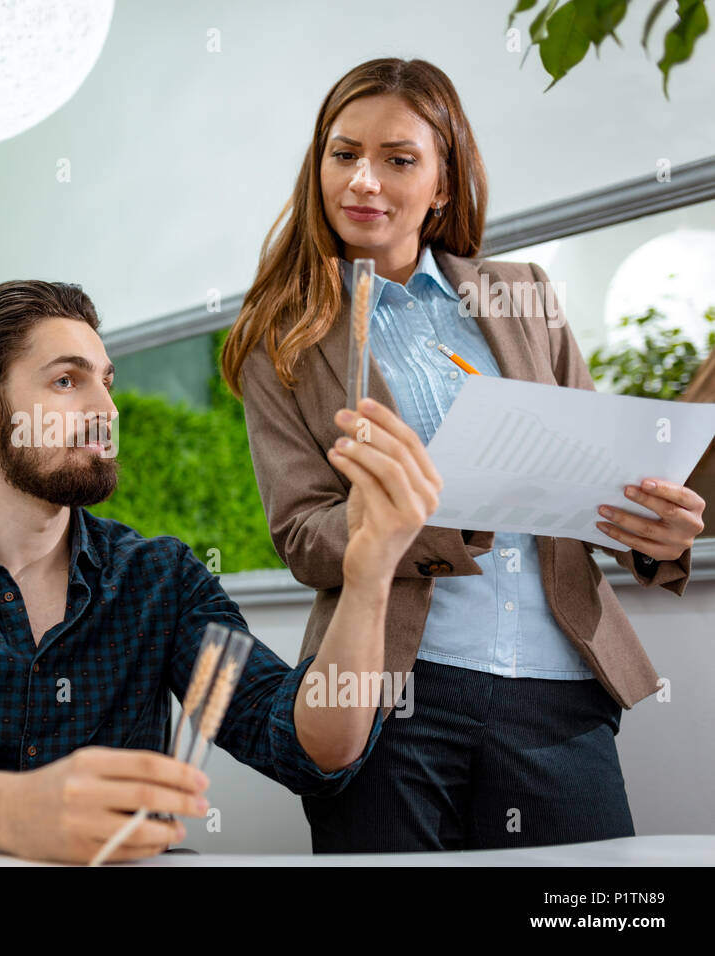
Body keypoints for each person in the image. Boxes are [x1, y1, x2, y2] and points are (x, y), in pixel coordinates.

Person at [219, 58, 705, 852]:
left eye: (399, 160)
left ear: (442, 184)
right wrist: (442, 520)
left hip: (558, 689)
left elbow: (590, 477)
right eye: (344, 155)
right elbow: (304, 536)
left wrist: (652, 534)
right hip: (398, 689)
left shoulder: (526, 295)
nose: (364, 180)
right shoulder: (287, 334)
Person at [0, 279, 443, 863]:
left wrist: (369, 576)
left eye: (107, 381)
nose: (107, 408)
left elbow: (311, 747)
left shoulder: (160, 578)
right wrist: (15, 811)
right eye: (67, 381)